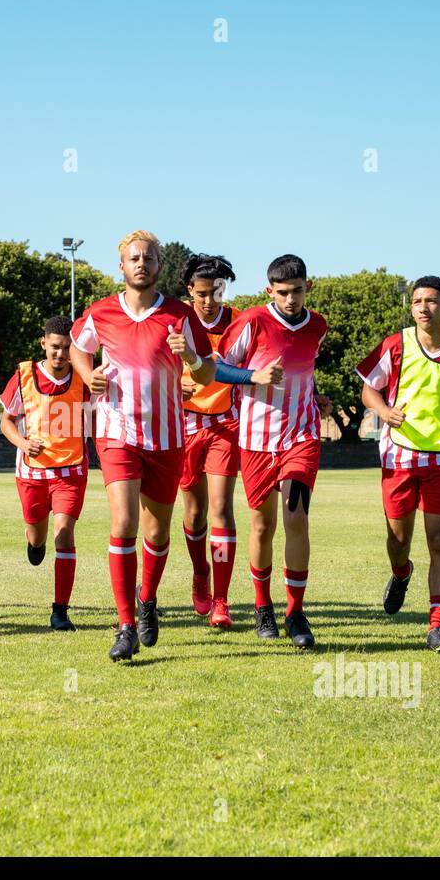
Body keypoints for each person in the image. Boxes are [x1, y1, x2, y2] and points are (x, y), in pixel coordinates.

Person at [69, 230, 216, 661]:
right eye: (133, 258)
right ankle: (125, 623)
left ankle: (148, 599)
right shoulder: (101, 312)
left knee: (157, 531)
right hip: (117, 434)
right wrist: (86, 373)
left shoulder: (180, 315)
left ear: (159, 267)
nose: (140, 264)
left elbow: (206, 375)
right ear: (122, 266)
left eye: (148, 258)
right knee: (124, 523)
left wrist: (188, 356)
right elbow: (80, 349)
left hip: (168, 438)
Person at [355, 275, 440, 652]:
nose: (423, 308)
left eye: (431, 301)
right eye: (416, 302)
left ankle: (438, 626)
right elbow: (368, 388)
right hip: (400, 455)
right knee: (398, 540)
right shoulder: (396, 345)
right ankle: (401, 572)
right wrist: (384, 411)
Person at [219, 254, 331, 647]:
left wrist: (316, 397)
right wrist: (253, 376)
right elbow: (214, 367)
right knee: (263, 526)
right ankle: (262, 605)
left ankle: (296, 613)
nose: (290, 299)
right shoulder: (252, 322)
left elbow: (305, 371)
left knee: (296, 518)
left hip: (301, 439)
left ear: (308, 288)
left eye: (297, 291)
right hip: (254, 442)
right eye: (282, 292)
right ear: (270, 290)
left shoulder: (318, 326)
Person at [177, 254, 282, 629]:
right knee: (194, 513)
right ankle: (201, 572)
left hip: (226, 424)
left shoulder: (239, 320)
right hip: (184, 425)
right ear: (189, 291)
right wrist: (177, 384)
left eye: (217, 292)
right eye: (202, 293)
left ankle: (221, 601)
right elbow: (154, 364)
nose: (210, 300)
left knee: (222, 509)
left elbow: (255, 364)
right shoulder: (175, 321)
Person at [0, 316, 91, 631]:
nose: (61, 354)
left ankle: (60, 611)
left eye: (67, 348)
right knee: (38, 538)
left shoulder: (84, 378)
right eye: (55, 347)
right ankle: (35, 544)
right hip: (32, 475)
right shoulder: (24, 375)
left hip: (71, 472)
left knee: (64, 537)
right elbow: (6, 421)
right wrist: (24, 442)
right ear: (43, 344)